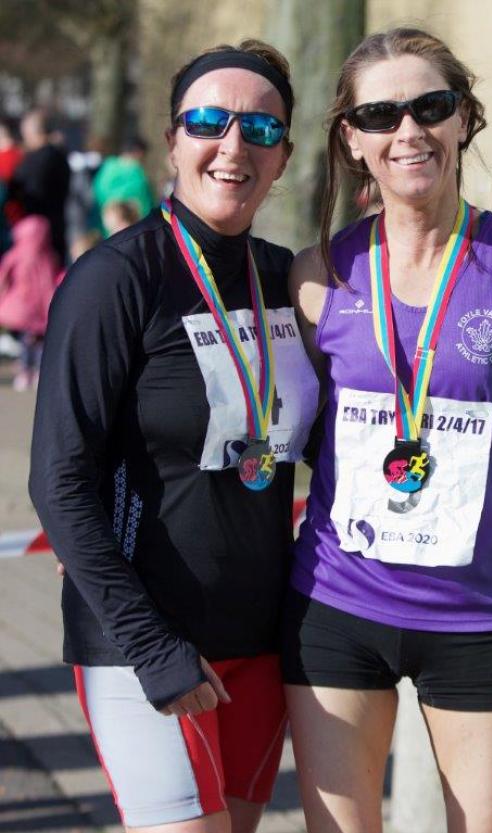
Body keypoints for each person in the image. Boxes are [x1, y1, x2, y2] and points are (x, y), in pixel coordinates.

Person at [283, 27, 492, 833]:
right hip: (336, 605)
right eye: (381, 114)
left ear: (464, 119)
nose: (408, 130)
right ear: (352, 139)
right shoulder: (318, 277)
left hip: (478, 614)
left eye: (430, 106)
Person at [29, 40, 319, 833]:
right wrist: (152, 644)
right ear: (172, 140)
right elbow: (57, 482)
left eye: (260, 129)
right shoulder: (115, 279)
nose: (233, 145)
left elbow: (325, 440)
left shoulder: (282, 274)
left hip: (261, 646)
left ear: (284, 155)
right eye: (208, 121)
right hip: (145, 642)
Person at [0, 214, 61, 390]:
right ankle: (40, 371)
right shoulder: (49, 255)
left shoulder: (16, 253)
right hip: (43, 306)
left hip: (22, 305)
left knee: (26, 341)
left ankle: (25, 371)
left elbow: (3, 276)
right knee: (41, 341)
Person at [9, 109, 70, 262]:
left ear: (33, 132)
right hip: (54, 227)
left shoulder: (42, 159)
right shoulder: (56, 155)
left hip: (39, 232)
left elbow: (33, 192)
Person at [93, 136, 156, 224]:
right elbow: (145, 202)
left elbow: (97, 195)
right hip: (134, 227)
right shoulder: (136, 172)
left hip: (107, 226)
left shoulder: (107, 167)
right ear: (138, 152)